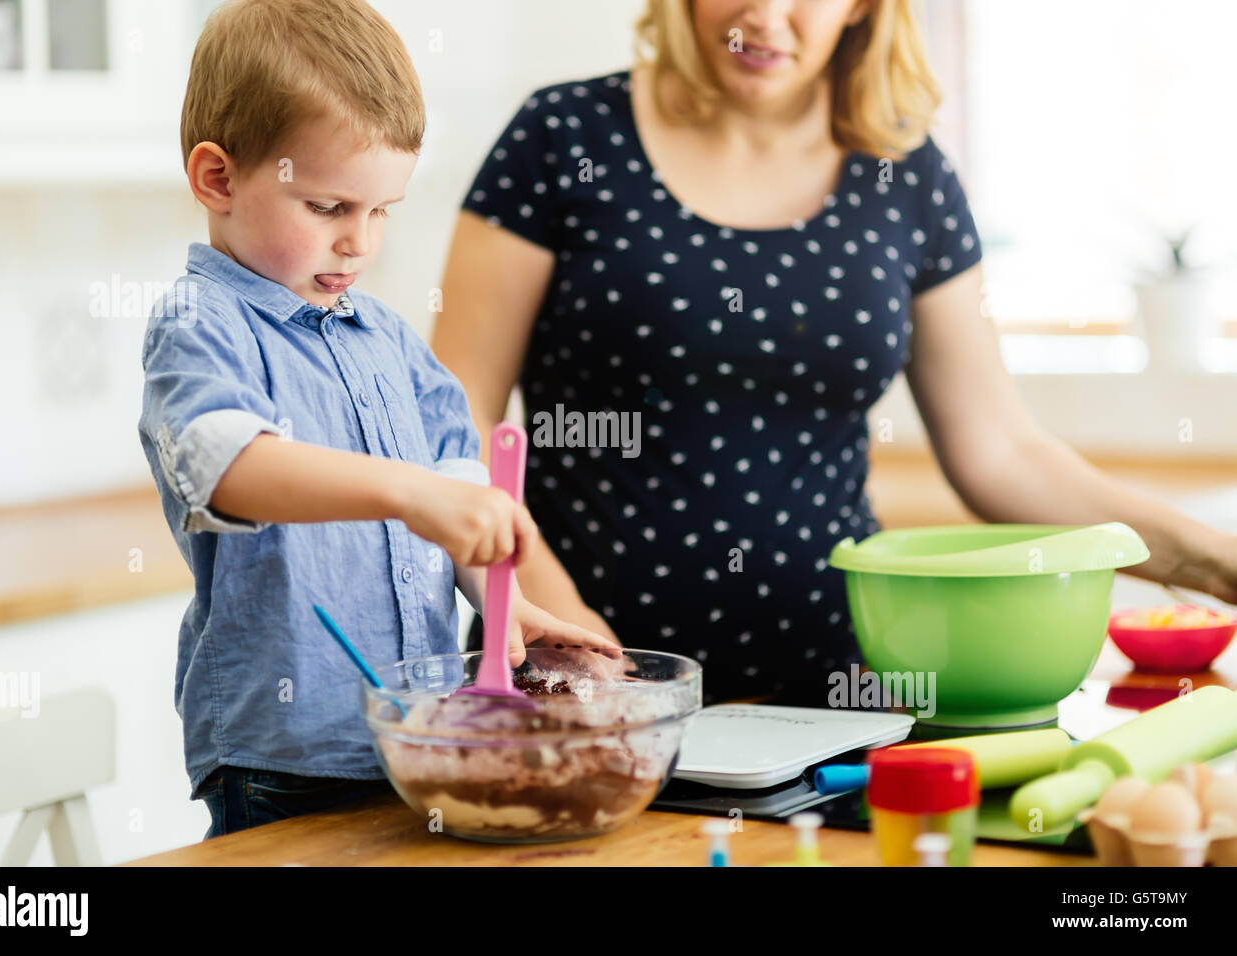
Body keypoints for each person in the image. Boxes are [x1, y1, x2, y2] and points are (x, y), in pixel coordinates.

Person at [431, 0, 1237, 707]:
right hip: (578, 677)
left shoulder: (909, 175)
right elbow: (449, 424)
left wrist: (1216, 562)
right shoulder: (561, 137)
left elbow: (1003, 453)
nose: (766, 15)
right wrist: (560, 629)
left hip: (841, 683)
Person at [138, 0, 615, 839]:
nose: (361, 242)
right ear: (217, 178)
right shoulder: (197, 322)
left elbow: (457, 482)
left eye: (382, 209)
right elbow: (229, 467)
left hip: (419, 741)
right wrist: (406, 493)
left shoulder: (385, 335)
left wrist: (499, 604)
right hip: (284, 762)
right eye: (328, 208)